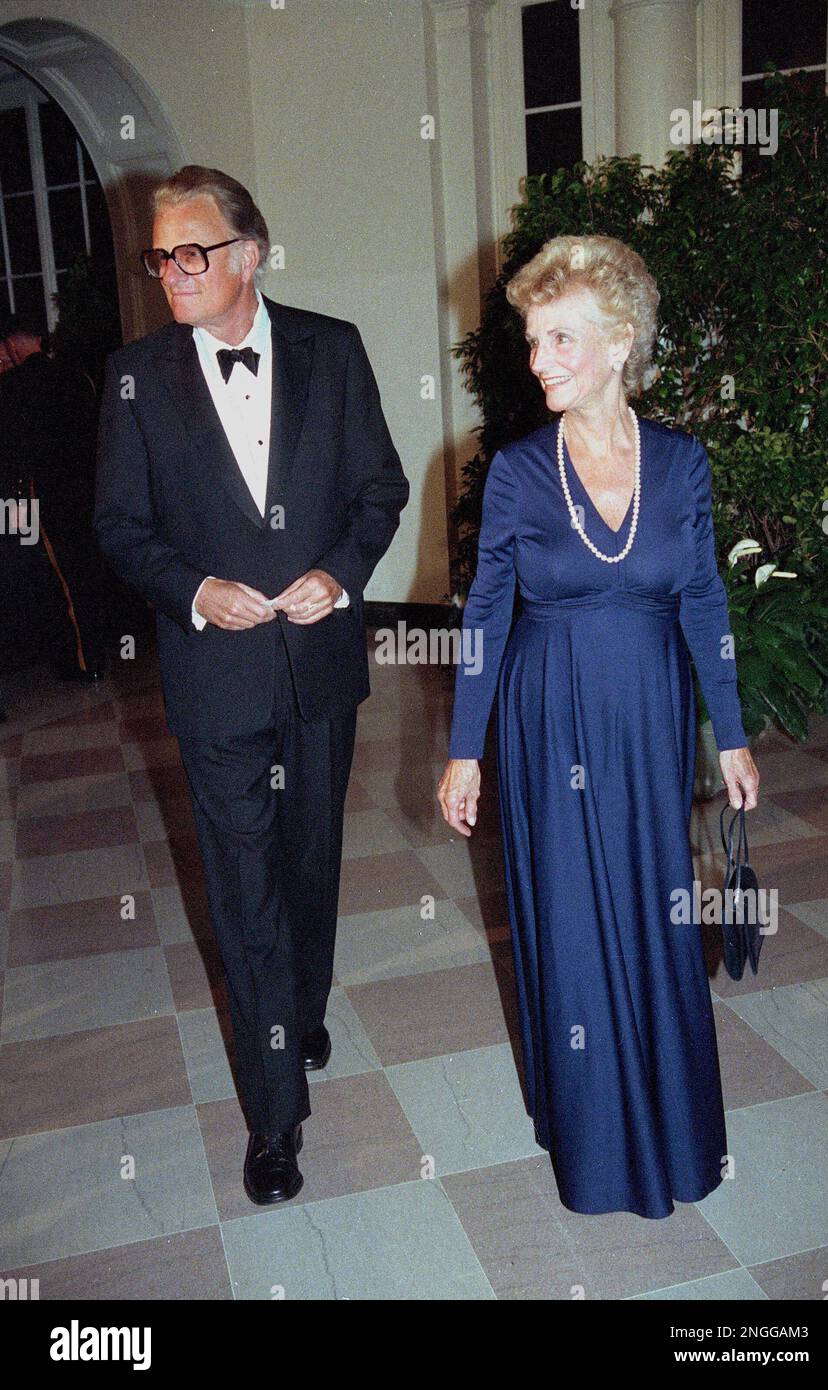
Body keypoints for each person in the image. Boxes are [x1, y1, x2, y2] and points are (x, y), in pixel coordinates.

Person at [94, 166, 408, 1205]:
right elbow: (118, 527)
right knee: (244, 887)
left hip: (318, 667)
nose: (172, 272)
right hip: (214, 680)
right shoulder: (134, 377)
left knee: (311, 863)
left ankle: (300, 1006)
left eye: (192, 251)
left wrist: (340, 574)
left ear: (250, 252)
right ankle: (275, 1117)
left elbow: (380, 489)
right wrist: (194, 591)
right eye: (160, 256)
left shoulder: (334, 349)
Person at [437, 234, 760, 1219]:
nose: (539, 361)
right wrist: (463, 751)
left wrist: (732, 731)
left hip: (650, 717)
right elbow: (485, 614)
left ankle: (673, 1131)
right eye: (533, 341)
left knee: (657, 909)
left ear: (620, 342)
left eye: (560, 339)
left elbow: (702, 598)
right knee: (575, 920)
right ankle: (595, 1145)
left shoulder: (682, 463)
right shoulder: (516, 472)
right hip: (550, 720)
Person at [0, 316, 105, 683]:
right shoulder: (78, 377)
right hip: (85, 490)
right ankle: (91, 654)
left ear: (13, 344)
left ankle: (80, 659)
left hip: (34, 498)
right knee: (83, 571)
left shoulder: (13, 386)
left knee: (53, 578)